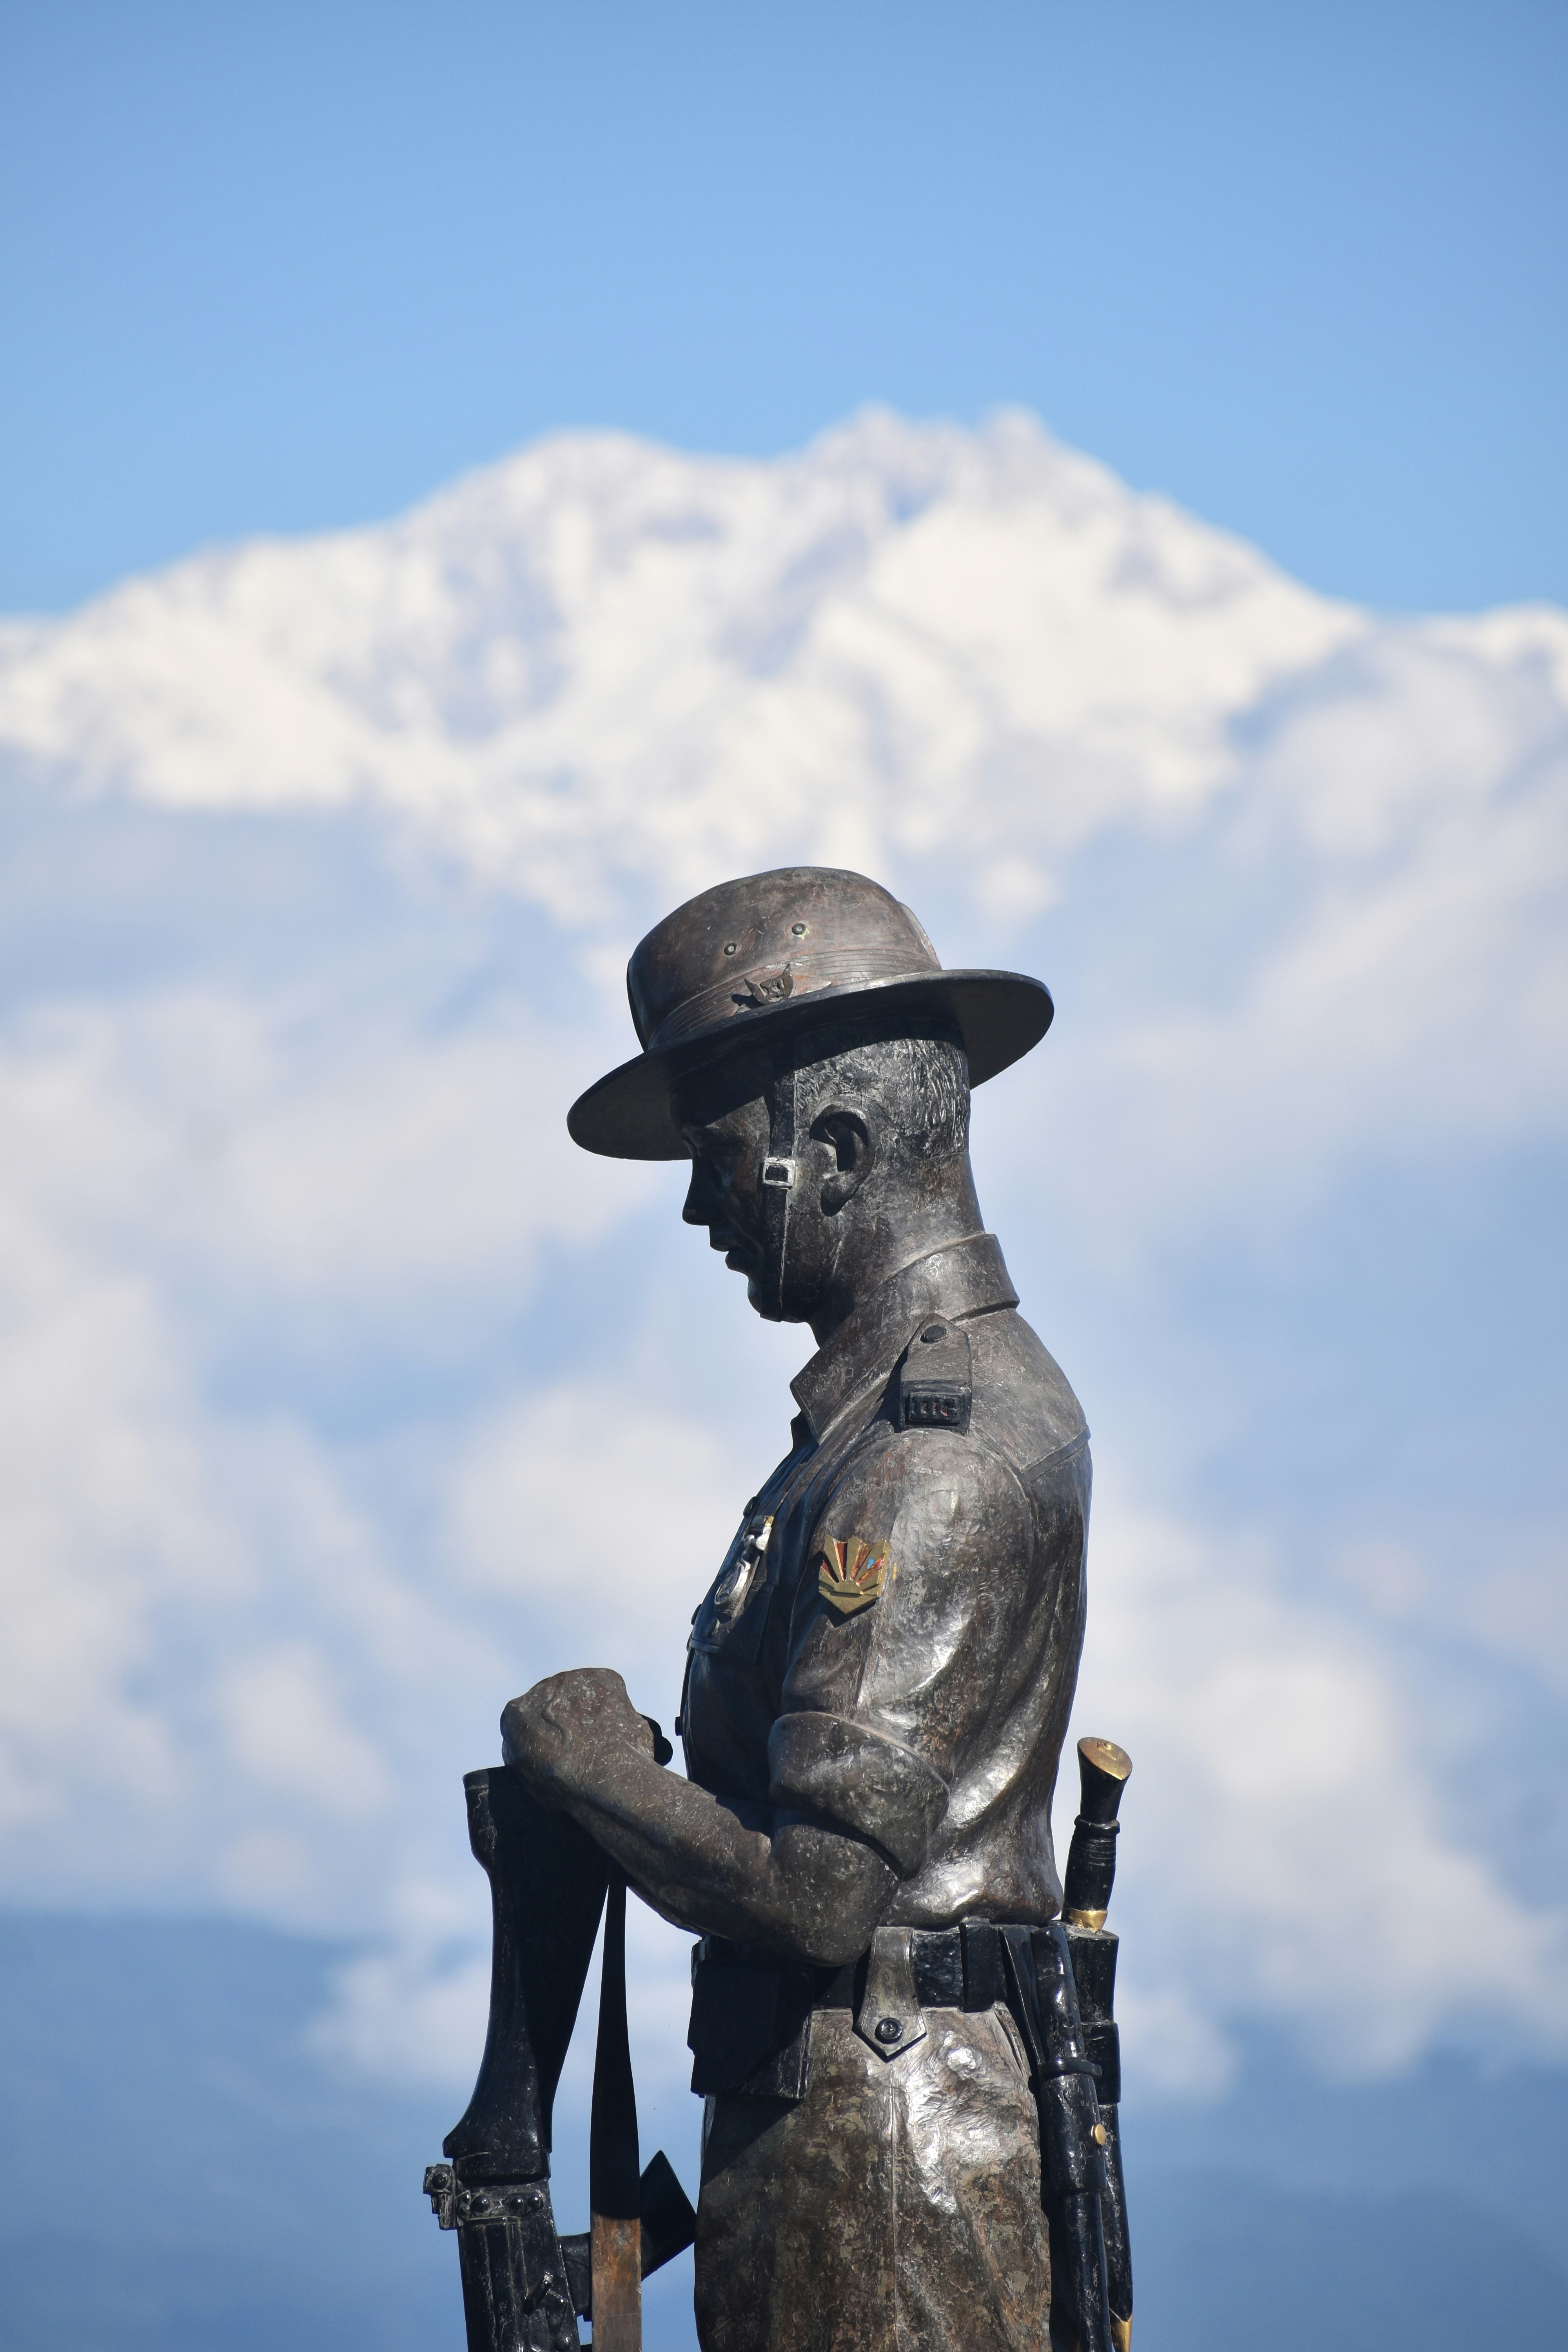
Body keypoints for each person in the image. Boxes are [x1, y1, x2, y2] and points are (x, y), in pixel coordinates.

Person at [502, 866, 1091, 2352]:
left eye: (713, 1157)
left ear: (827, 1149)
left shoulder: (928, 1459)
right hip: (840, 2142)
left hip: (885, 2178)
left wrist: (597, 1773)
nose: (695, 1203)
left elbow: (824, 1890)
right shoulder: (868, 1432)